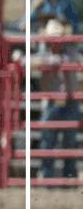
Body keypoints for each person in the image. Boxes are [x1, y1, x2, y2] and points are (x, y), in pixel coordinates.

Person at [37, 19, 81, 179]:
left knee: (69, 144)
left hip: (69, 102)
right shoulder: (45, 55)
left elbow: (68, 61)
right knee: (47, 143)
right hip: (54, 103)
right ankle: (48, 178)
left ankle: (68, 177)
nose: (55, 42)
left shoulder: (69, 53)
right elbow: (33, 61)